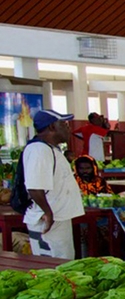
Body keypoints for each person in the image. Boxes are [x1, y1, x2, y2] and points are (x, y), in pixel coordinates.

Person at [21, 110, 84, 259]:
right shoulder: (39, 150)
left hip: (57, 217)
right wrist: (48, 213)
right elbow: (35, 187)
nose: (68, 128)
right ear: (52, 127)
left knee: (63, 263)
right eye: (63, 124)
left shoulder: (49, 149)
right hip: (48, 220)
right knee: (53, 268)